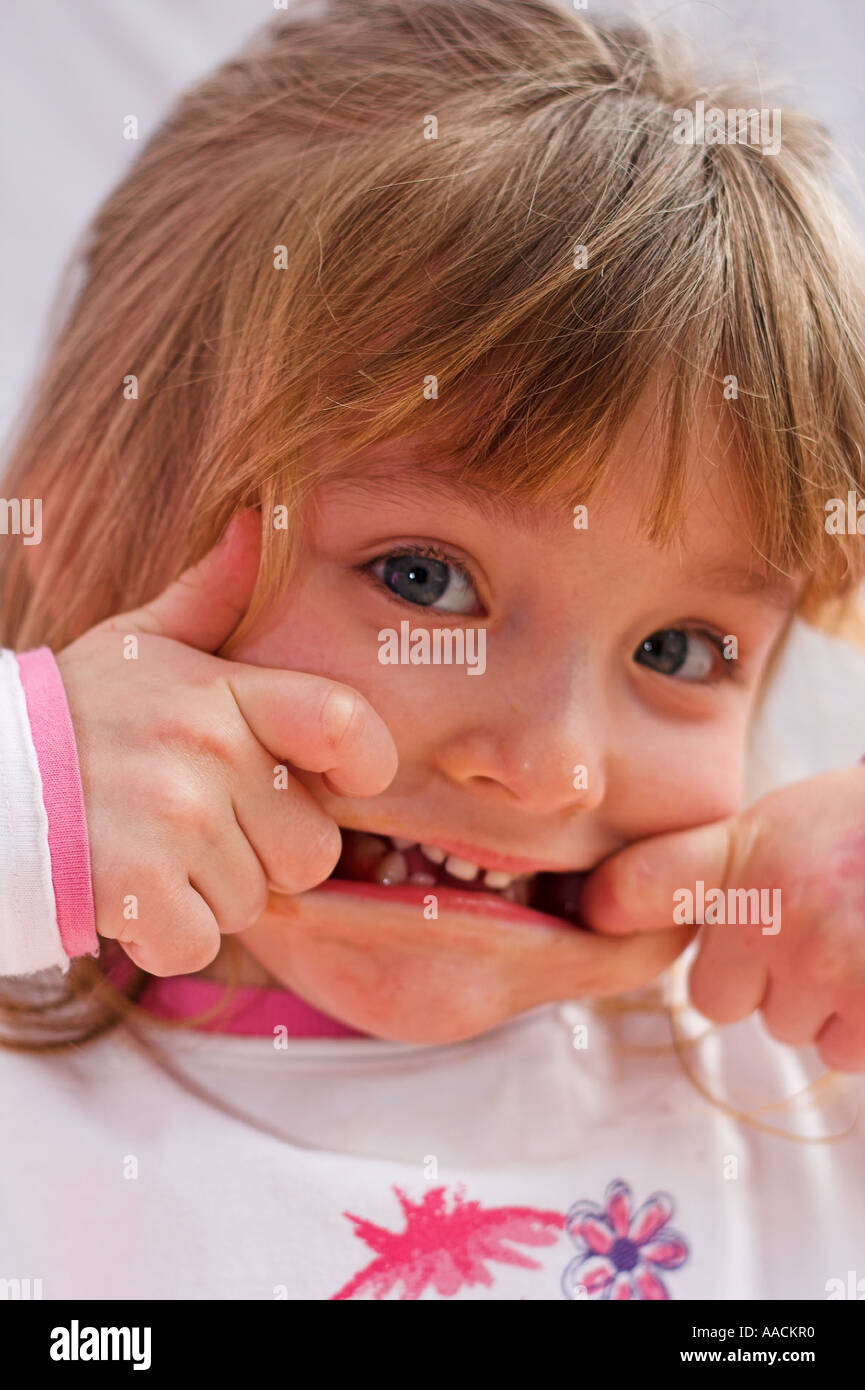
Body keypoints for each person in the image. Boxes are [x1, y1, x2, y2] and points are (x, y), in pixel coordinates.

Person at [0, 0, 862, 1300]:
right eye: (423, 578)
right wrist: (30, 795)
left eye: (679, 649)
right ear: (76, 518)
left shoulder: (790, 1078)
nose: (548, 767)